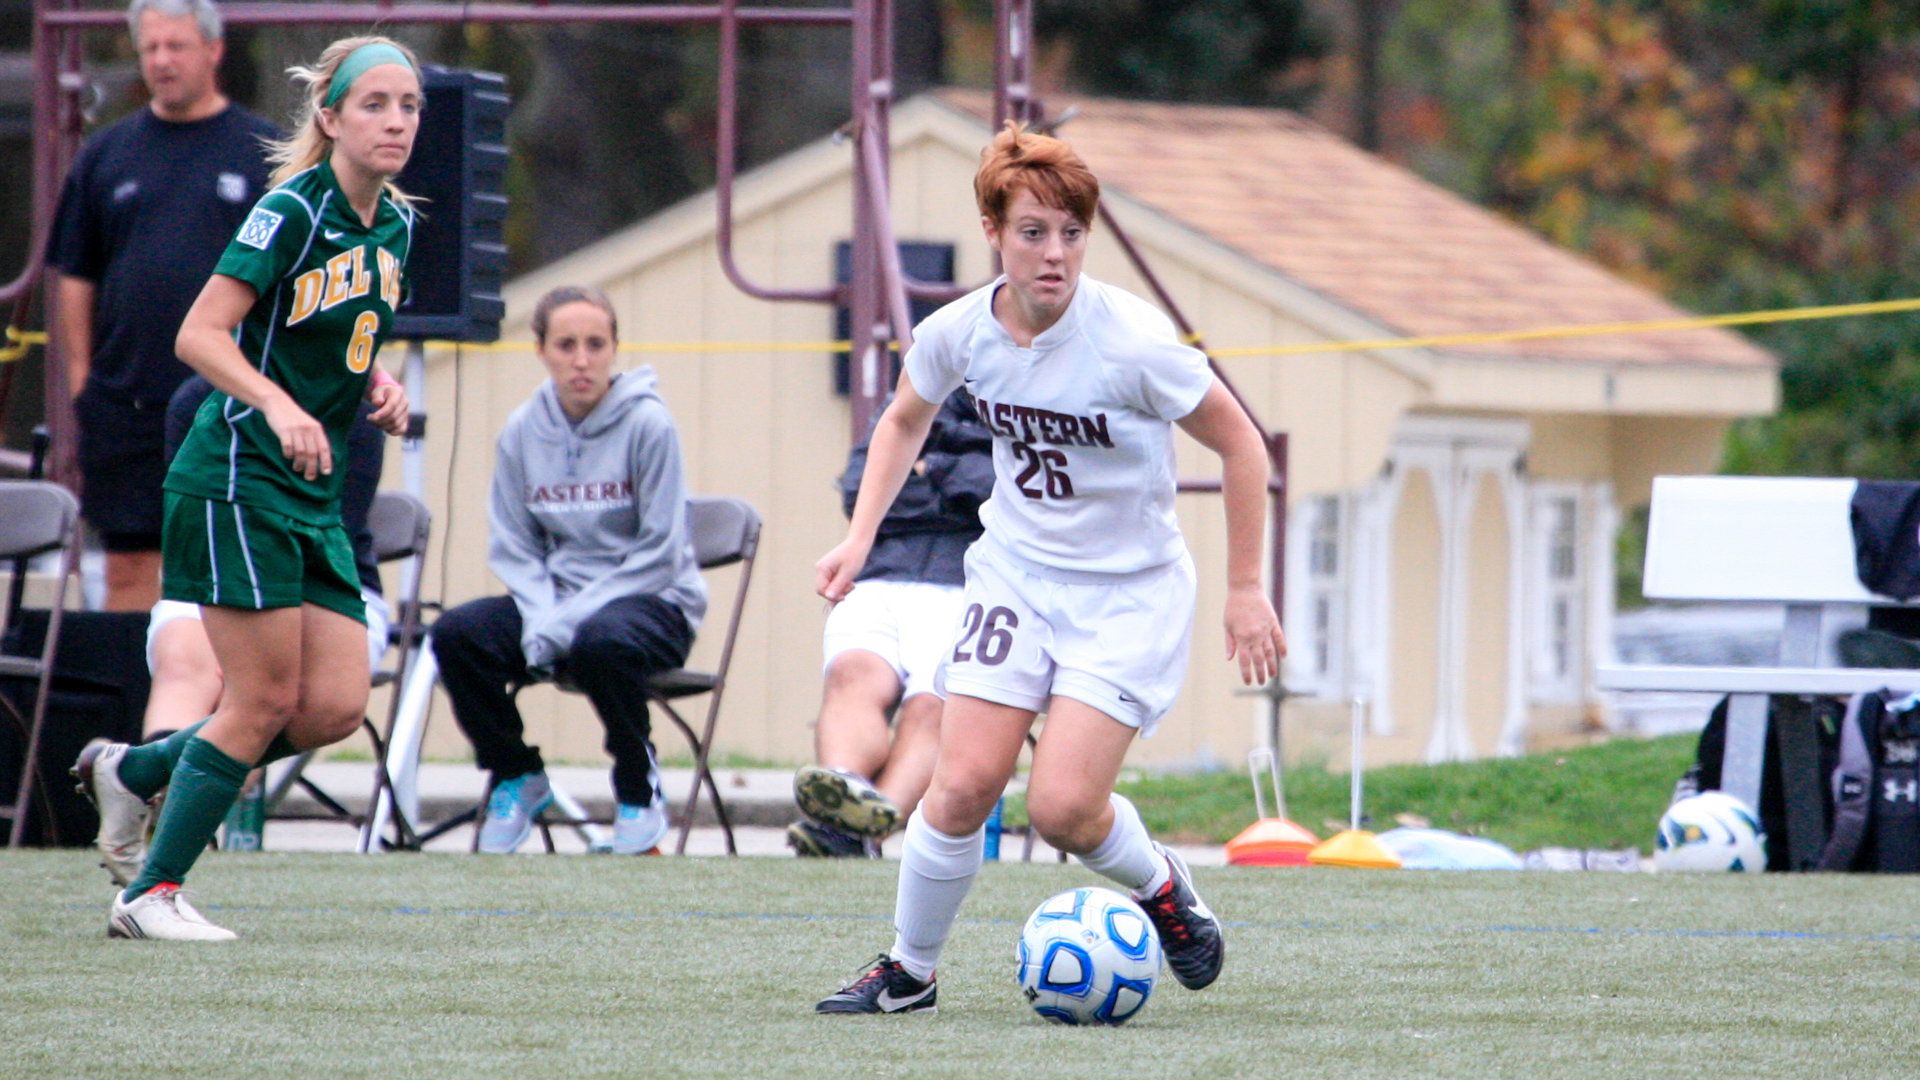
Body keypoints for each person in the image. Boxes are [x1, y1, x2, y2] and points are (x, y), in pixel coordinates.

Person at [811, 124, 1284, 1013]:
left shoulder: (1133, 340)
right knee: (959, 787)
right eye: (1033, 231)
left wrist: (1246, 587)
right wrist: (861, 537)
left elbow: (1242, 446)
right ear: (994, 230)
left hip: (1127, 596)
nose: (1054, 254)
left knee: (1063, 809)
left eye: (1071, 233)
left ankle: (1163, 890)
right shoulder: (959, 331)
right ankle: (910, 971)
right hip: (1015, 578)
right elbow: (905, 417)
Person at [71, 36, 420, 941]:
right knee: (259, 701)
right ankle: (150, 895)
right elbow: (201, 334)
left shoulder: (397, 225)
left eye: (410, 106)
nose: (396, 121)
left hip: (308, 489)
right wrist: (277, 404)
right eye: (374, 104)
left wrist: (373, 386)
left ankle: (137, 773)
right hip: (235, 473)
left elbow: (338, 339)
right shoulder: (291, 210)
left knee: (334, 704)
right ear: (331, 117)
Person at [430, 285, 707, 857]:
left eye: (595, 345)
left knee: (600, 644)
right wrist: (544, 615)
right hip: (554, 603)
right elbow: (513, 548)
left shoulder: (650, 426)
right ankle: (517, 774)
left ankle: (637, 789)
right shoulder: (521, 431)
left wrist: (563, 623)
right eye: (566, 345)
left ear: (615, 349)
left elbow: (659, 551)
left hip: (653, 599)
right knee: (457, 634)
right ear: (541, 351)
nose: (582, 360)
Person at [47, 0, 278, 611]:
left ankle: (217, 706)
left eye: (175, 47)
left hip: (228, 404)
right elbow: (74, 272)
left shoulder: (266, 153)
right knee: (128, 572)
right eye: (150, 49)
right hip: (126, 406)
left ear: (213, 49)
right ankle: (138, 707)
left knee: (225, 569)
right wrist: (82, 380)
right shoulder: (104, 155)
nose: (162, 62)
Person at [789, 389, 993, 858]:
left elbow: (1001, 494)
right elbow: (861, 488)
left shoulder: (1026, 411)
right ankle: (842, 815)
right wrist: (954, 483)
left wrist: (930, 466)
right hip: (879, 578)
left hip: (974, 585)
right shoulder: (902, 403)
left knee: (932, 707)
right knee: (852, 674)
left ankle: (853, 834)